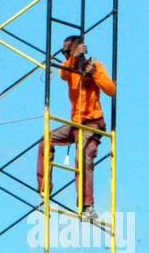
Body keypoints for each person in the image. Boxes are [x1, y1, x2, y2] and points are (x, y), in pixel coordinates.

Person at [37, 34, 116, 223]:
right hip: (76, 122)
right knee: (45, 140)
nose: (64, 55)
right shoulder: (69, 67)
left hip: (92, 122)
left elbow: (111, 89)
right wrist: (73, 57)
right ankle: (44, 187)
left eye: (67, 51)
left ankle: (87, 205)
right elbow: (64, 73)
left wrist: (94, 74)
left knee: (83, 156)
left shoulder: (95, 66)